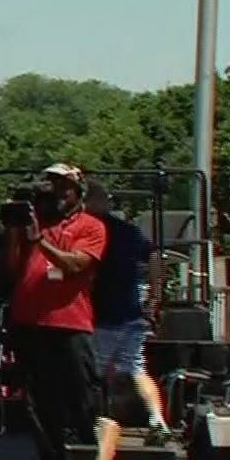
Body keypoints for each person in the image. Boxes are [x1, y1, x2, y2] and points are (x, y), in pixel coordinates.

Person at [5, 164, 107, 460]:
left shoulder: (91, 226)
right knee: (38, 395)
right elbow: (11, 267)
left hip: (70, 320)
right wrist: (15, 232)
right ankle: (49, 457)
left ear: (78, 192)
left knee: (80, 392)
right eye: (52, 188)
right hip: (30, 320)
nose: (58, 195)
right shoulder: (35, 225)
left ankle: (88, 456)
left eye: (65, 188)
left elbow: (76, 264)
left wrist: (41, 243)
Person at [83, 180, 170, 439]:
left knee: (95, 371)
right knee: (135, 368)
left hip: (103, 312)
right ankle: (156, 418)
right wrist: (155, 294)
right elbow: (155, 256)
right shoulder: (129, 232)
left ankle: (96, 423)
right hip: (132, 311)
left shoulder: (91, 231)